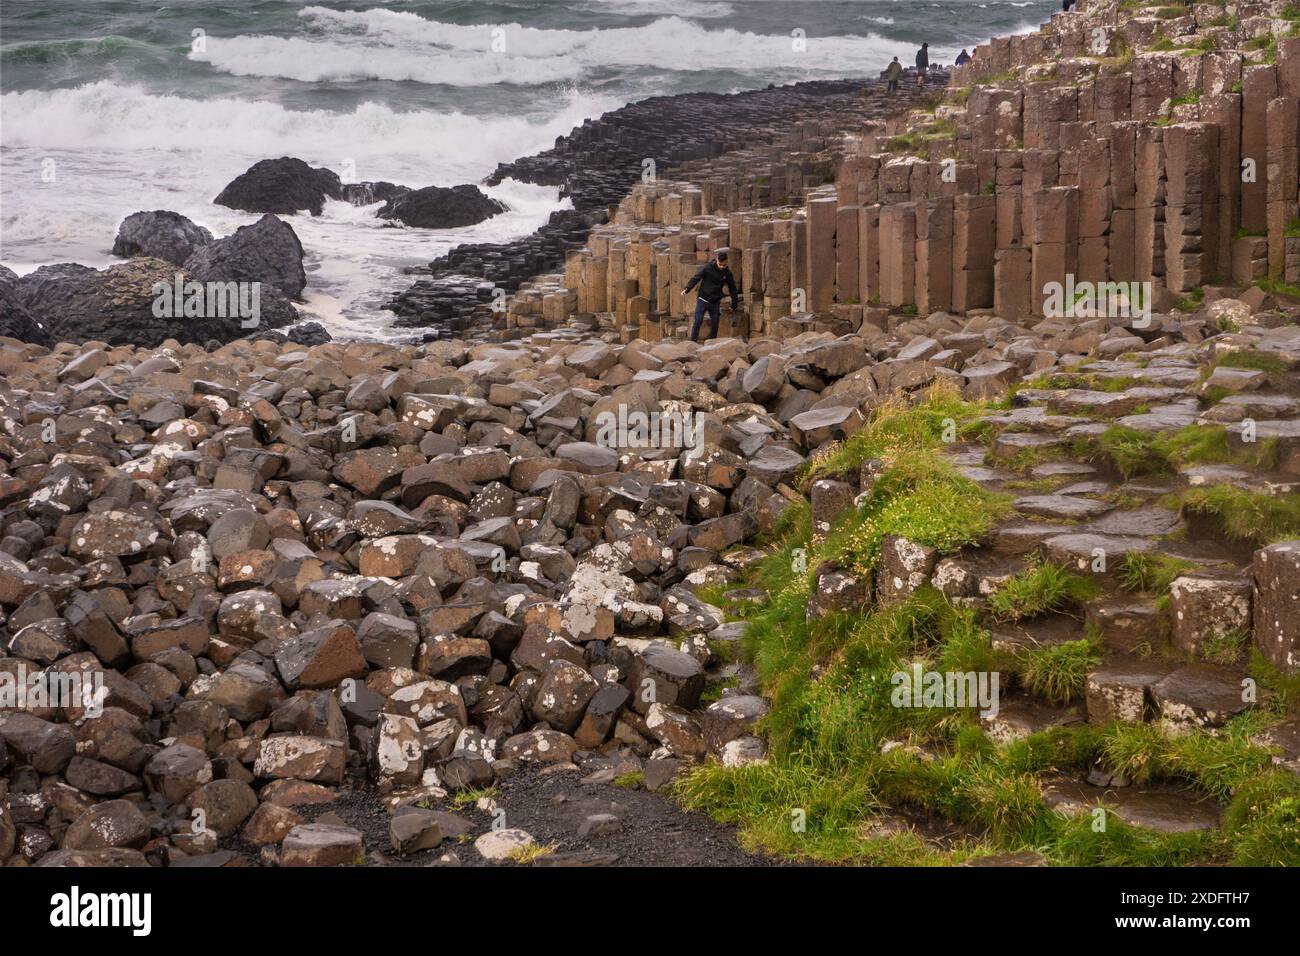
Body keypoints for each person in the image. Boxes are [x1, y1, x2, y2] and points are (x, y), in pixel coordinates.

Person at [683, 249, 739, 342]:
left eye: (724, 265)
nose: (721, 267)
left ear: (727, 262)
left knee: (715, 323)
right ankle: (693, 341)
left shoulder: (728, 273)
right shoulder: (708, 268)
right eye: (720, 264)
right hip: (703, 298)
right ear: (717, 260)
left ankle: (711, 342)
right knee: (698, 321)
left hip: (715, 301)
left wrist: (734, 304)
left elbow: (732, 288)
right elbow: (696, 277)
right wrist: (687, 288)